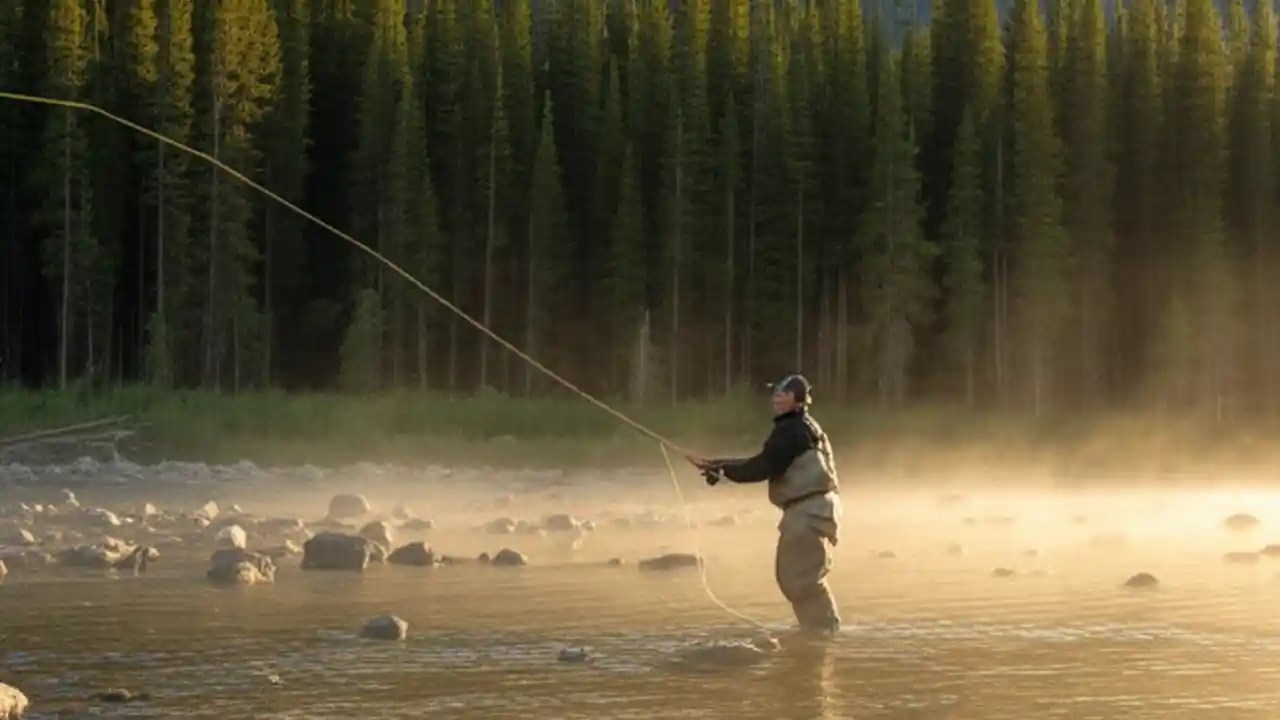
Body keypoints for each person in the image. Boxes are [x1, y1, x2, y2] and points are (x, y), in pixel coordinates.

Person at [688, 374, 841, 635]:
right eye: (775, 392)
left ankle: (822, 632)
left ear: (798, 400)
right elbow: (764, 461)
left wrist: (723, 470)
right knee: (795, 578)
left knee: (799, 579)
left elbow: (763, 467)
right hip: (811, 511)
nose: (776, 397)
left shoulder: (792, 430)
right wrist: (719, 466)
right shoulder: (798, 427)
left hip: (808, 513)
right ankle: (817, 628)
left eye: (783, 392)